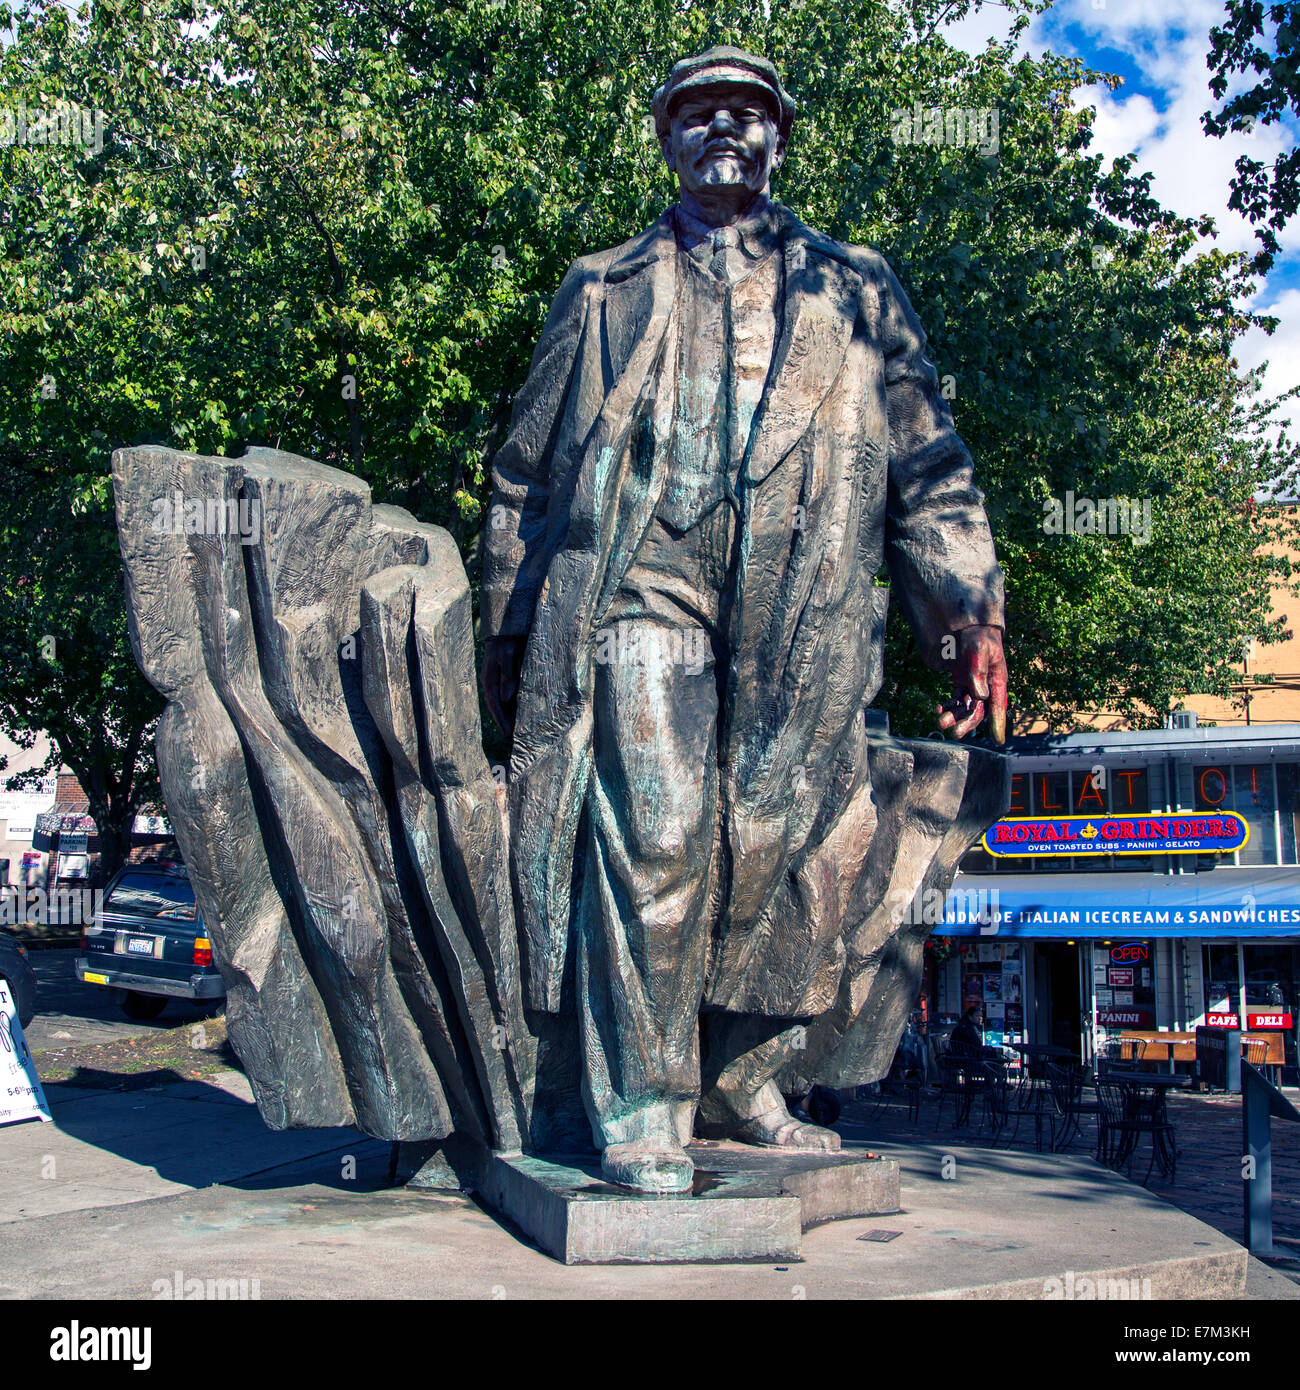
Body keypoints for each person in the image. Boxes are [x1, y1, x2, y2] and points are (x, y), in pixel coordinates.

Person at [481, 47, 1008, 1192]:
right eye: (697, 113)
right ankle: (641, 1099)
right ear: (665, 135)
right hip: (642, 579)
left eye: (745, 113)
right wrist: (506, 627)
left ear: (777, 134)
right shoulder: (603, 287)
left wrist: (967, 607)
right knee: (656, 829)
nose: (722, 130)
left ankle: (738, 1071)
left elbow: (928, 460)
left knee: (786, 850)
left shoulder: (856, 289)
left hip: (803, 598)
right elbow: (523, 471)